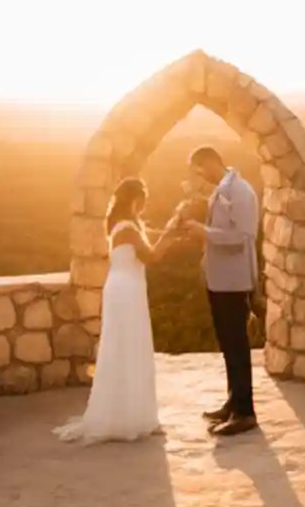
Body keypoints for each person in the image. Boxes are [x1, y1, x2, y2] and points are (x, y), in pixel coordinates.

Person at [53, 177, 176, 445]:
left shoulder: (122, 225)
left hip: (123, 288)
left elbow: (147, 237)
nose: (145, 205)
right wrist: (172, 235)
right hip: (126, 291)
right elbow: (152, 256)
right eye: (143, 199)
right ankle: (129, 416)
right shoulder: (128, 228)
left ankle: (135, 413)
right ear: (135, 199)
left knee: (127, 347)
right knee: (129, 347)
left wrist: (171, 231)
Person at [182, 146, 260, 436]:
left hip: (233, 281)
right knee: (227, 345)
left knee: (237, 345)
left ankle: (245, 412)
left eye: (198, 171)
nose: (198, 178)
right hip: (219, 280)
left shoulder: (240, 192)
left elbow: (242, 237)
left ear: (210, 163)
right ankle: (233, 401)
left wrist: (204, 232)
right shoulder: (222, 189)